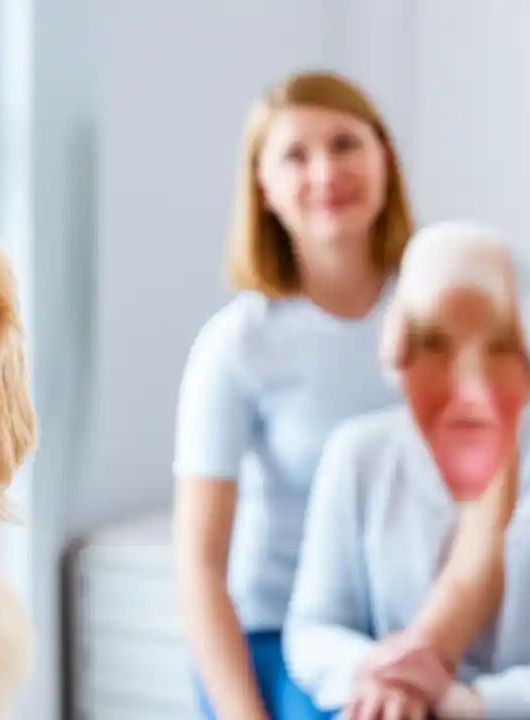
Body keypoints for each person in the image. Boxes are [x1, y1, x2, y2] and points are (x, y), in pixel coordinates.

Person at [171, 70, 414, 719]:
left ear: (382, 155)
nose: (325, 171)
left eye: (344, 144)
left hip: (417, 627)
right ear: (264, 188)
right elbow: (199, 566)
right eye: (294, 156)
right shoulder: (238, 345)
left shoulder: (438, 313)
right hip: (276, 636)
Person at [285, 222, 530, 720]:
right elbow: (313, 627)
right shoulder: (357, 454)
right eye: (434, 344)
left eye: (490, 345)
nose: (463, 377)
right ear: (401, 351)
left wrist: (473, 706)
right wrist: (385, 677)